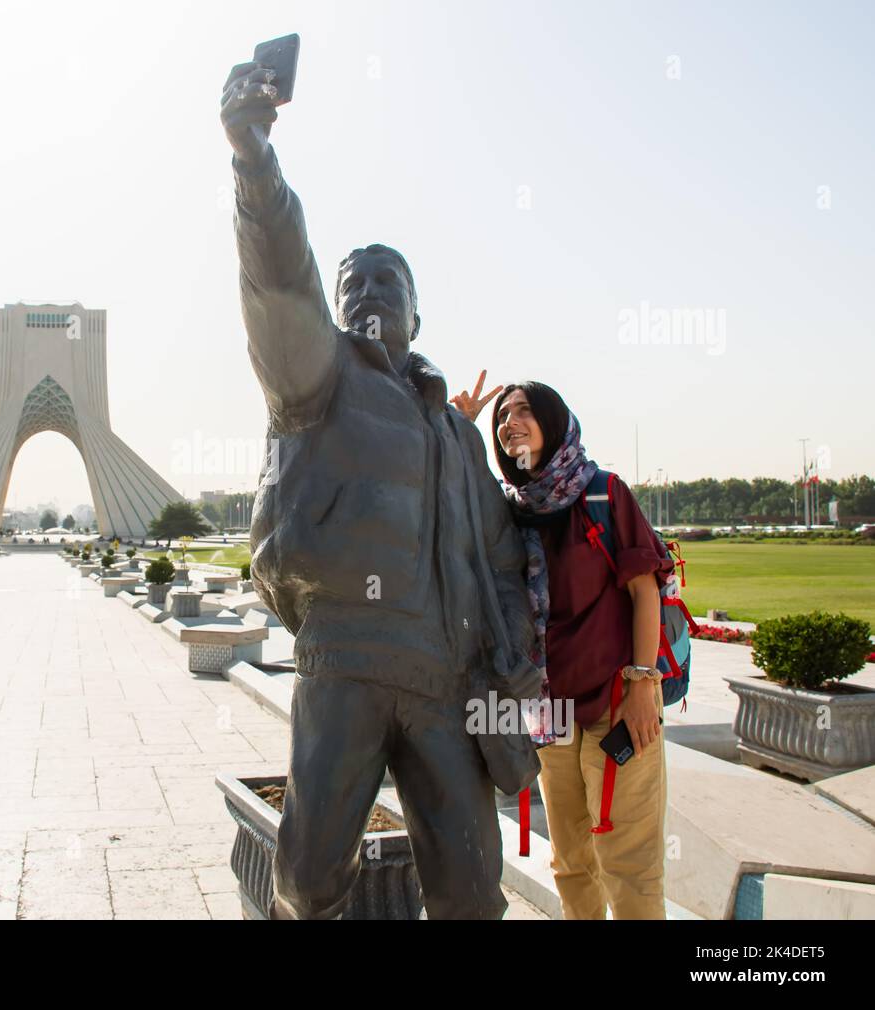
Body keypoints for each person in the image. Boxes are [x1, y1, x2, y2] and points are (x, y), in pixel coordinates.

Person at [221, 57, 542, 920]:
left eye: (386, 286)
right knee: (307, 878)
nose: (367, 296)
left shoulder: (456, 435)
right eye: (352, 287)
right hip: (346, 658)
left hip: (447, 679)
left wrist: (512, 663)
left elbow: (505, 559)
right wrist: (254, 162)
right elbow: (282, 281)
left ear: (417, 317)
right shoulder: (318, 380)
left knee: (473, 891)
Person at [453, 376, 672, 919]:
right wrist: (458, 427)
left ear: (554, 422)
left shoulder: (603, 493)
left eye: (524, 411)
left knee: (629, 867)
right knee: (572, 864)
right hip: (552, 713)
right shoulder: (513, 511)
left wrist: (644, 685)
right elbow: (454, 499)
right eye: (503, 416)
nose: (510, 423)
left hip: (619, 704)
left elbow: (646, 591)